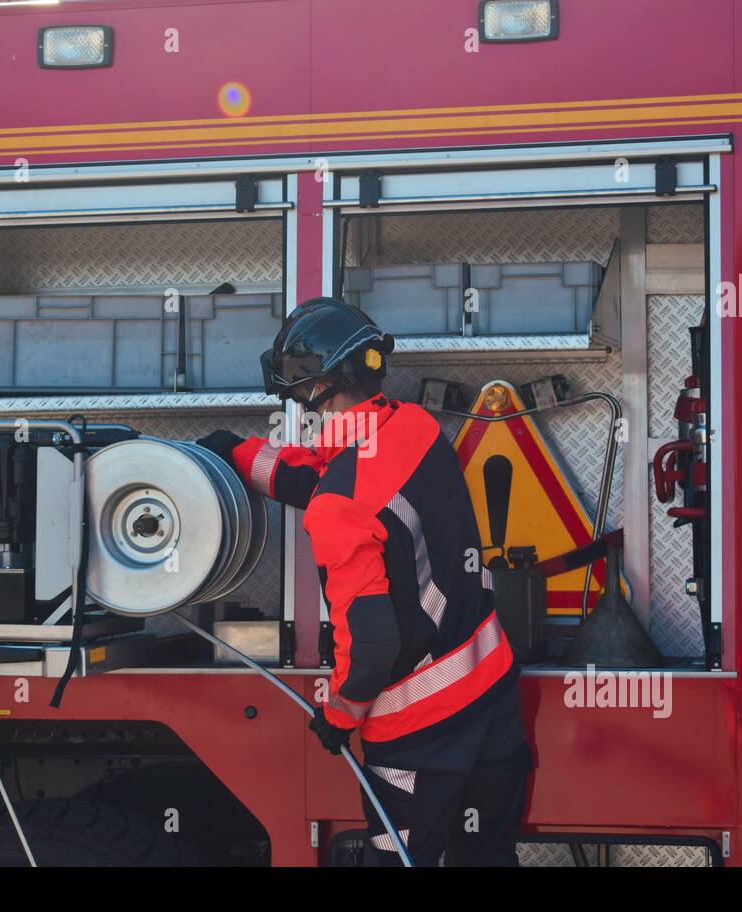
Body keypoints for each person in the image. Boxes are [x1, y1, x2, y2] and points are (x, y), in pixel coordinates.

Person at [198, 296, 533, 866]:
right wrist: (239, 453)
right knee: (489, 858)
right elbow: (333, 476)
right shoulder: (415, 427)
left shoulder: (338, 503)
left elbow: (374, 646)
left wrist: (339, 716)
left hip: (418, 731)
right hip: (494, 700)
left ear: (313, 389)